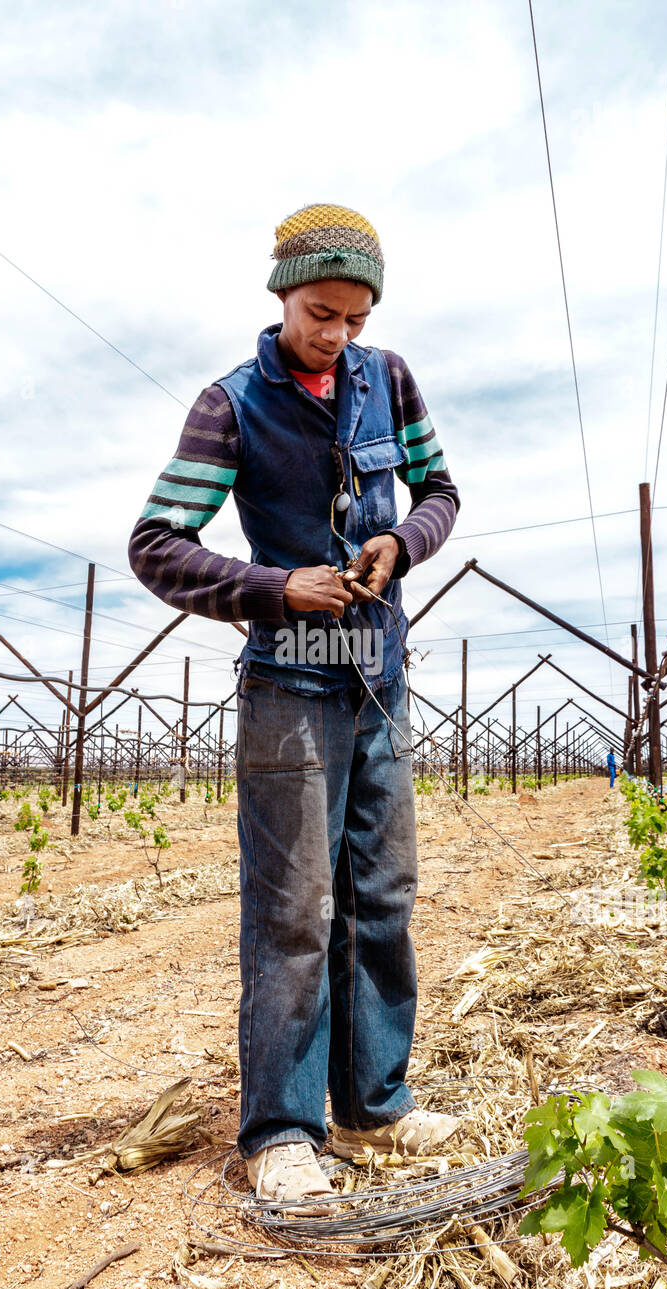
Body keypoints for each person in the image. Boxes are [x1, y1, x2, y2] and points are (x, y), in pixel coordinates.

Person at [129, 203, 462, 1208]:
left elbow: (439, 488)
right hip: (288, 684)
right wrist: (278, 586)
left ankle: (374, 1102)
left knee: (382, 895)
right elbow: (156, 543)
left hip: (375, 677)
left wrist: (401, 543)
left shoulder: (388, 379)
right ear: (282, 295)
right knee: (293, 912)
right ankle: (281, 1130)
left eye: (355, 318)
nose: (338, 335)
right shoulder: (230, 404)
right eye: (321, 313)